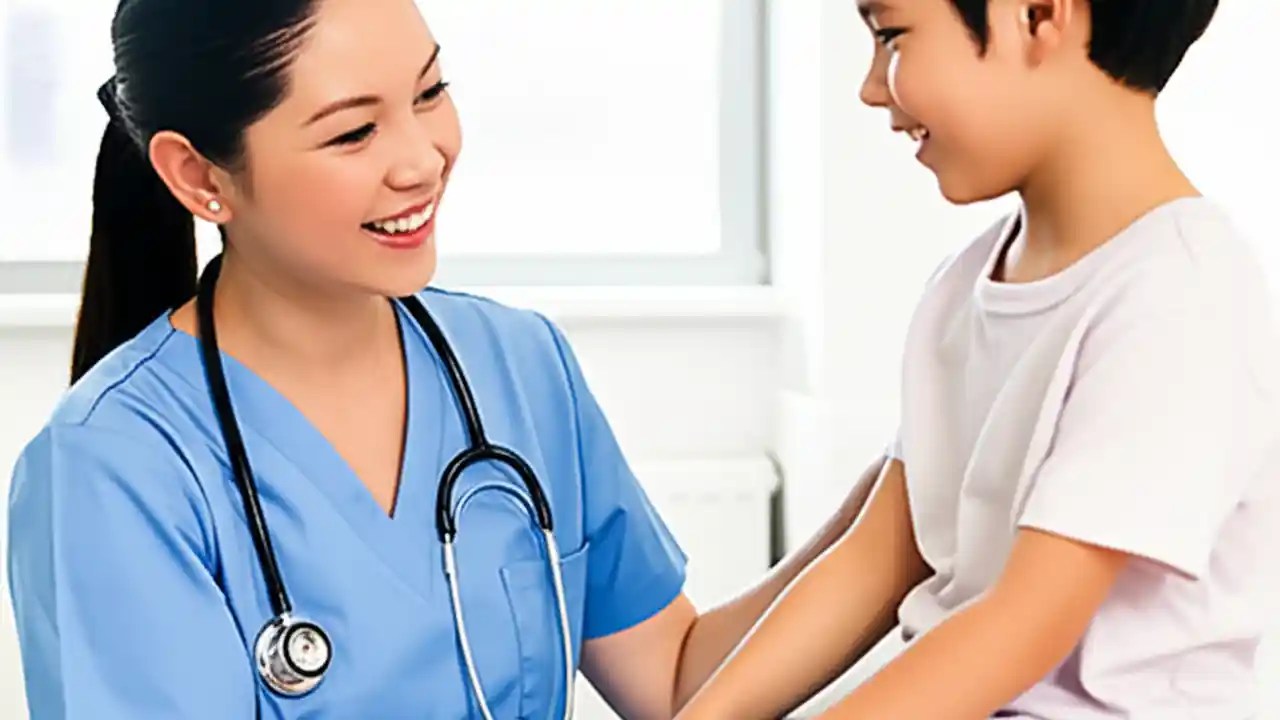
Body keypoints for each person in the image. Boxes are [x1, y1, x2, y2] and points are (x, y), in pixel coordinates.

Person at [4, 0, 881, 717]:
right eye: (353, 134)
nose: (423, 160)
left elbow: (676, 681)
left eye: (430, 92)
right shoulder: (111, 466)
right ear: (199, 177)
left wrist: (897, 512)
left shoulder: (518, 366)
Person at [678, 0, 1280, 718]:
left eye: (892, 36)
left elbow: (1019, 629)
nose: (873, 87)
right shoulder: (966, 283)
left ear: (1038, 14)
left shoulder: (1179, 293)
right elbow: (879, 557)